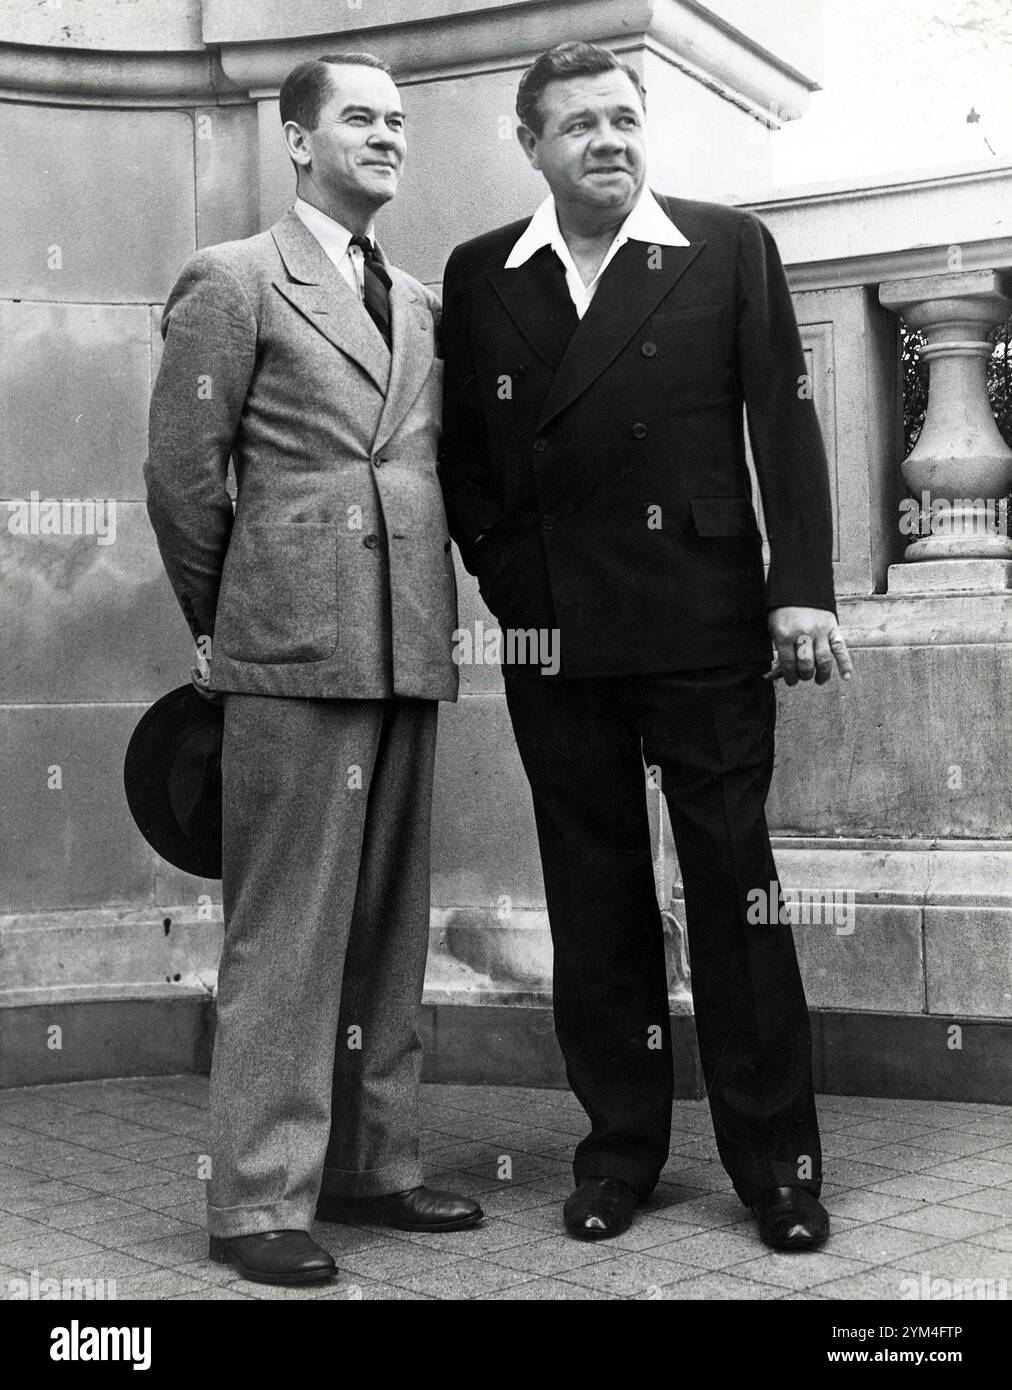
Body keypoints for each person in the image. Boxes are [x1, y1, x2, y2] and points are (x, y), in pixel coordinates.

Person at [438, 40, 853, 1251]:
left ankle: (778, 1165)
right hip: (553, 632)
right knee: (593, 892)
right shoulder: (481, 272)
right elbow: (465, 458)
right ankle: (618, 1153)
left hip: (706, 616)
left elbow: (783, 417)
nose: (606, 141)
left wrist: (801, 588)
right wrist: (511, 579)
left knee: (739, 890)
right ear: (532, 146)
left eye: (623, 119)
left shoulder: (725, 246)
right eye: (577, 126)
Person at [145, 52, 481, 1287]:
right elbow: (181, 478)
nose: (387, 135)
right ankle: (254, 1203)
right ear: (296, 139)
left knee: (387, 927)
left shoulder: (428, 298)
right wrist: (228, 619)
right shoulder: (233, 280)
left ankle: (373, 1166)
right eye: (359, 117)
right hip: (289, 649)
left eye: (399, 119)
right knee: (285, 939)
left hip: (404, 642)